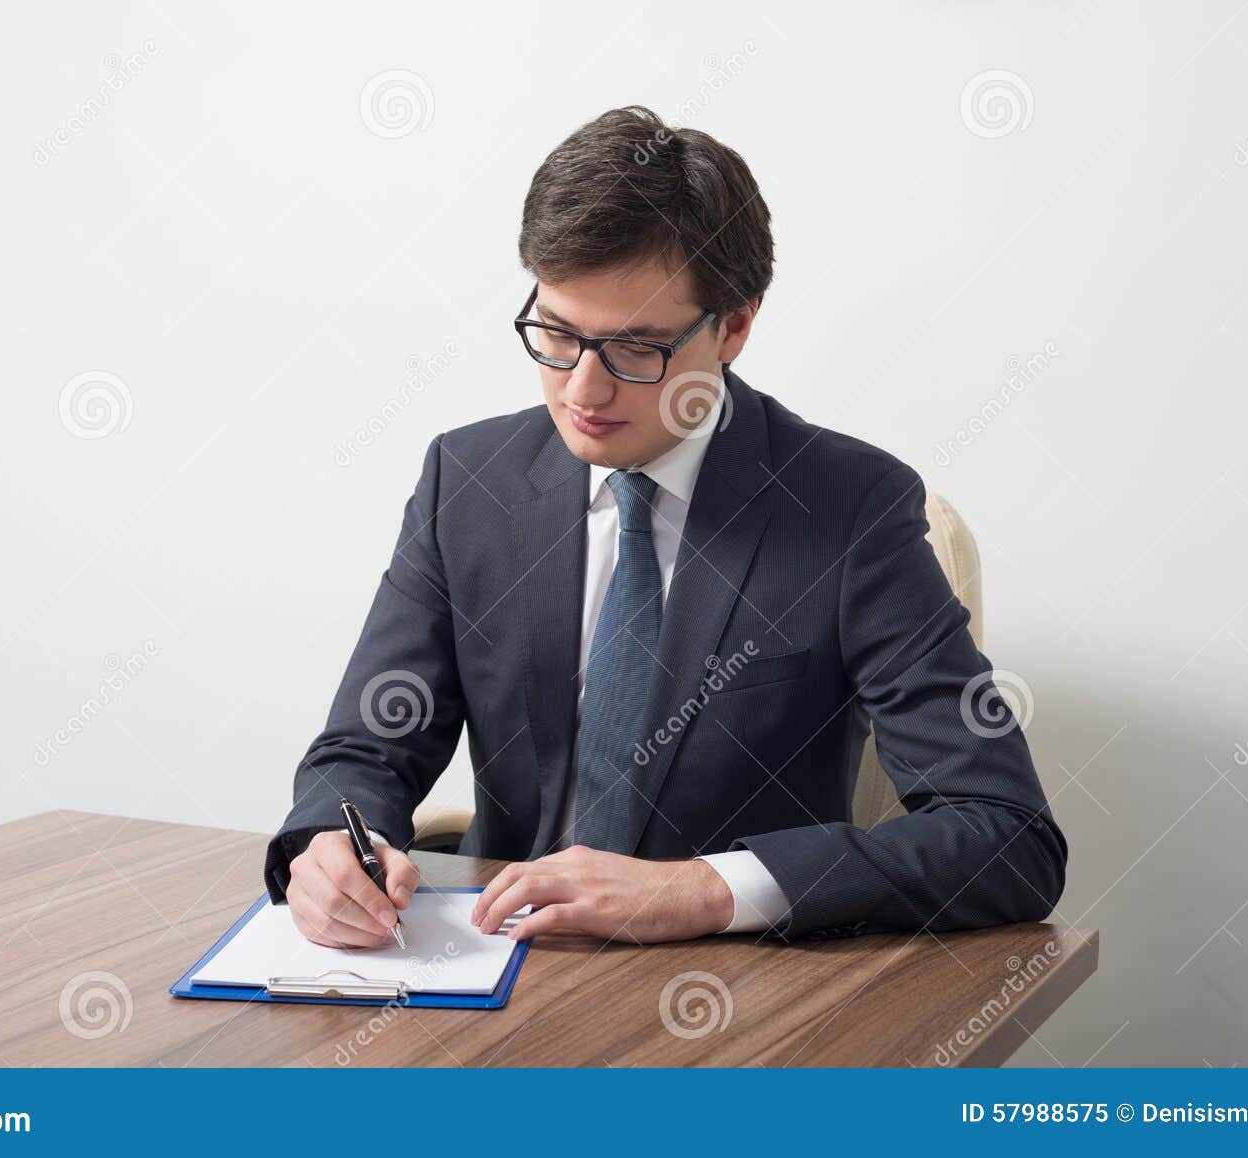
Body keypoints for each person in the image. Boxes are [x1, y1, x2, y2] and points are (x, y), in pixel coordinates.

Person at [264, 105, 1067, 947]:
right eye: (556, 334)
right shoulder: (468, 484)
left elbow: (1006, 836)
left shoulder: (848, 508)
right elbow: (367, 748)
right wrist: (328, 847)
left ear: (734, 327)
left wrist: (705, 890)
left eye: (635, 350)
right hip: (492, 961)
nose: (583, 391)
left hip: (731, 980)